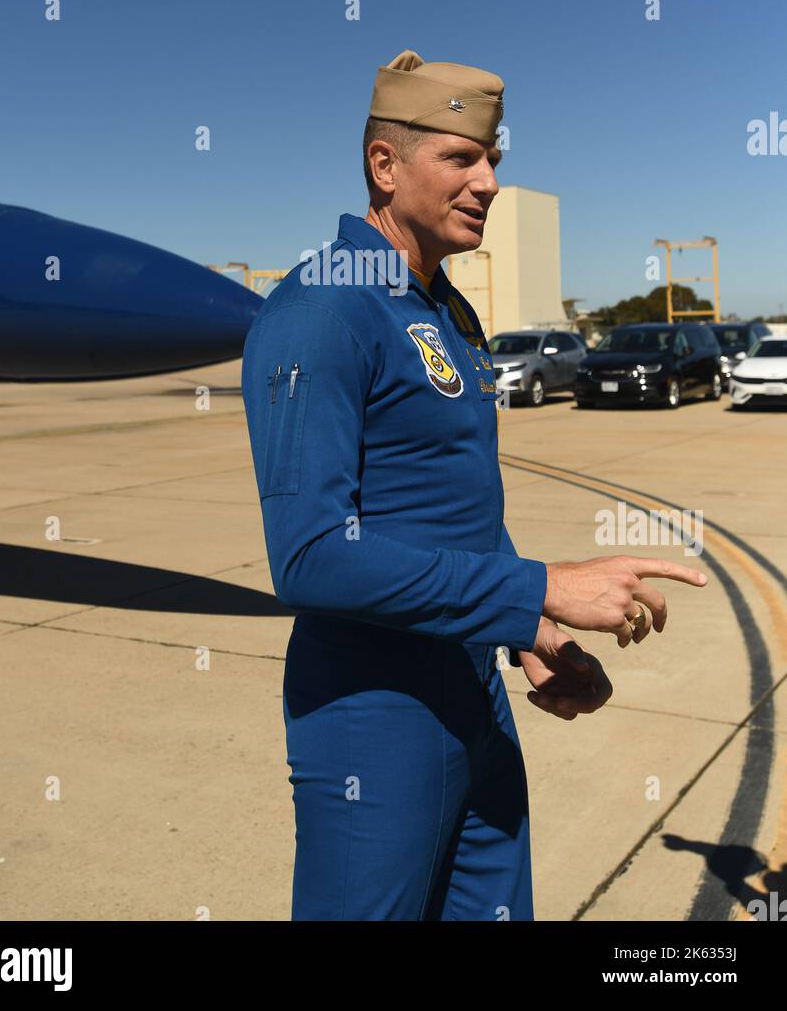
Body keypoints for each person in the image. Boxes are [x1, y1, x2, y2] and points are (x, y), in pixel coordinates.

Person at [241, 48, 707, 921]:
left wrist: (527, 632)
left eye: (493, 158)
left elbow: (455, 504)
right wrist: (541, 587)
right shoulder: (322, 309)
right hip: (374, 721)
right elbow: (307, 558)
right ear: (384, 166)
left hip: (475, 699)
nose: (488, 181)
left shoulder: (448, 310)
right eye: (462, 158)